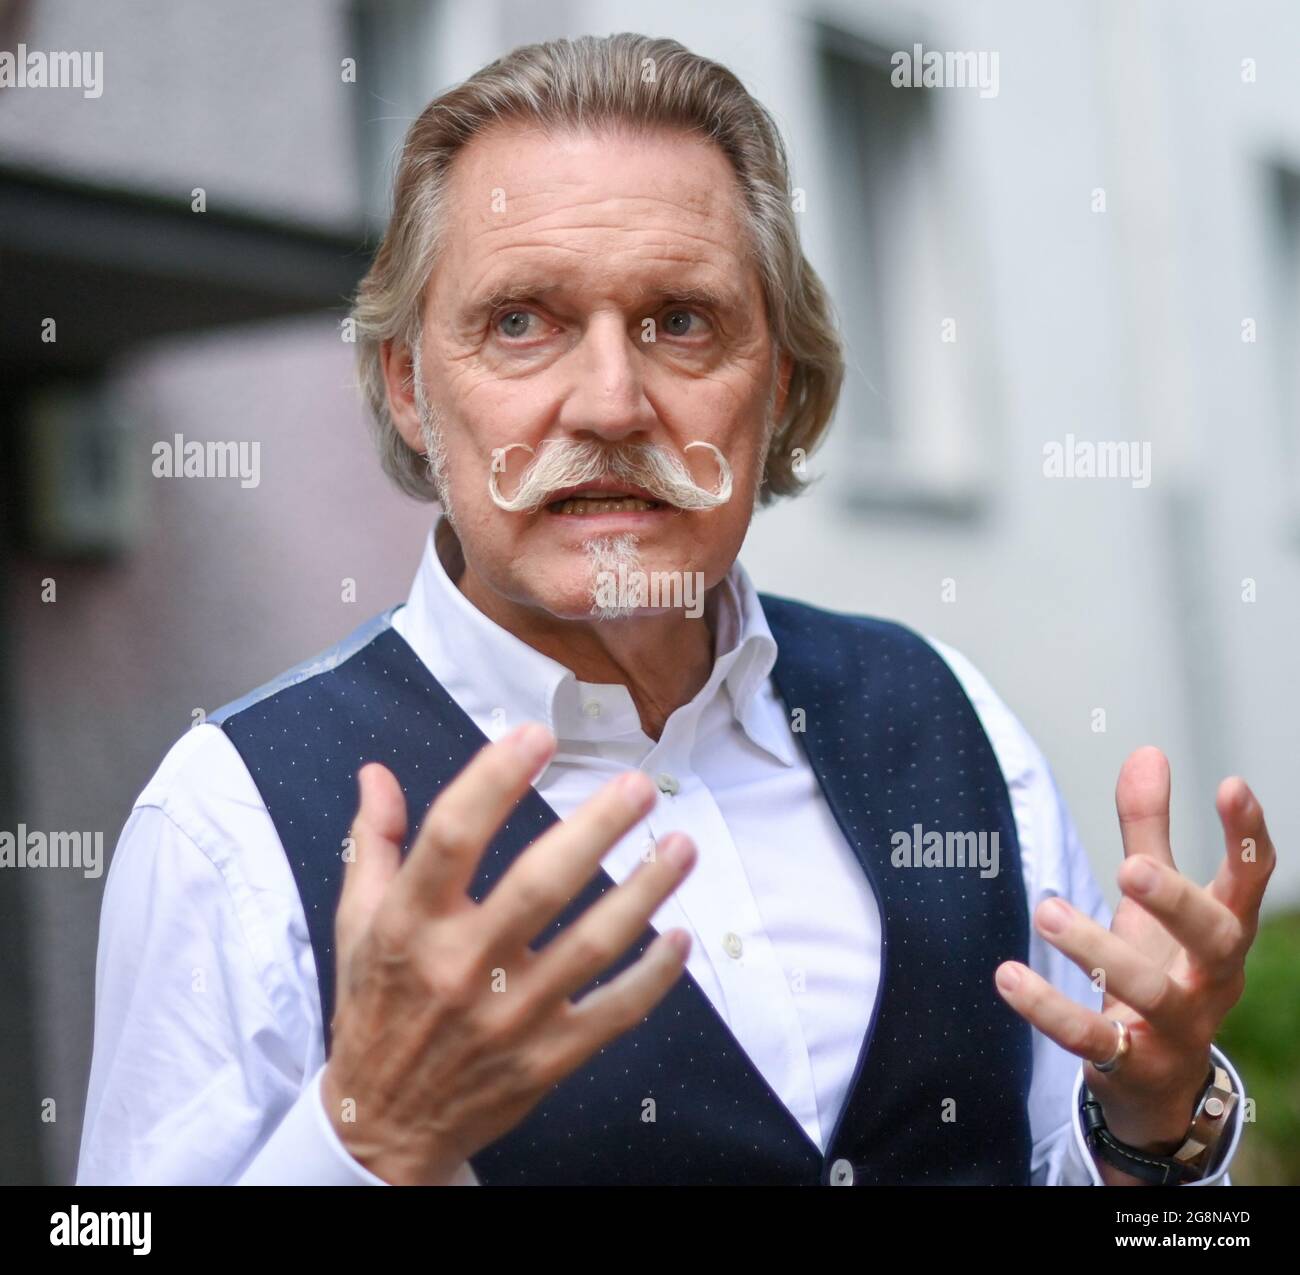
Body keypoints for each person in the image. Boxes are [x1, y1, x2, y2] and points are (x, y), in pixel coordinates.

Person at [78, 33, 1268, 1187]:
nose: (608, 401)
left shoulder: (950, 721)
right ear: (408, 387)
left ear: (781, 382)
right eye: (519, 321)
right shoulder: (232, 822)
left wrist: (1154, 1123)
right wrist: (362, 1144)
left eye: (682, 322)